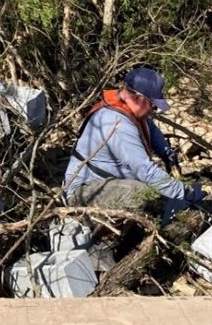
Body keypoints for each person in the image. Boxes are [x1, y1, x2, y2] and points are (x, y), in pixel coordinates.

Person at [62, 67, 204, 215]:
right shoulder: (116, 123)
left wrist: (169, 157)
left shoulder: (129, 110)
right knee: (142, 193)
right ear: (137, 97)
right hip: (84, 192)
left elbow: (152, 132)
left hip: (111, 183)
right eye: (152, 103)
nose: (155, 108)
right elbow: (144, 170)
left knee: (157, 192)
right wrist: (186, 192)